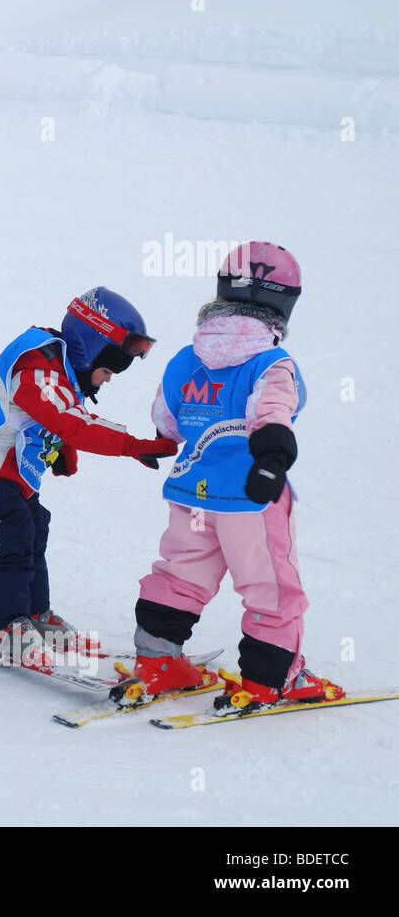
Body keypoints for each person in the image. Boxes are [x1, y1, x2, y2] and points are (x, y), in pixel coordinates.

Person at [132, 243, 344, 710]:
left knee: (181, 574)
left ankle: (157, 662)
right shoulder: (271, 363)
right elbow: (272, 415)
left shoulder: (186, 358)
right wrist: (270, 461)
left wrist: (164, 441)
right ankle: (271, 680)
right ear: (285, 303)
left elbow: (167, 420)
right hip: (250, 495)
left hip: (192, 491)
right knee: (269, 586)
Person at [0, 287, 178, 662]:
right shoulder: (37, 365)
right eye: (107, 370)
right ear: (91, 347)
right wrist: (132, 445)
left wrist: (60, 450)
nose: (107, 380)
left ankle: (33, 616)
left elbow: (56, 415)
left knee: (35, 526)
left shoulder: (61, 370)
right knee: (12, 533)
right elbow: (67, 418)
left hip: (11, 470)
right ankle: (1, 625)